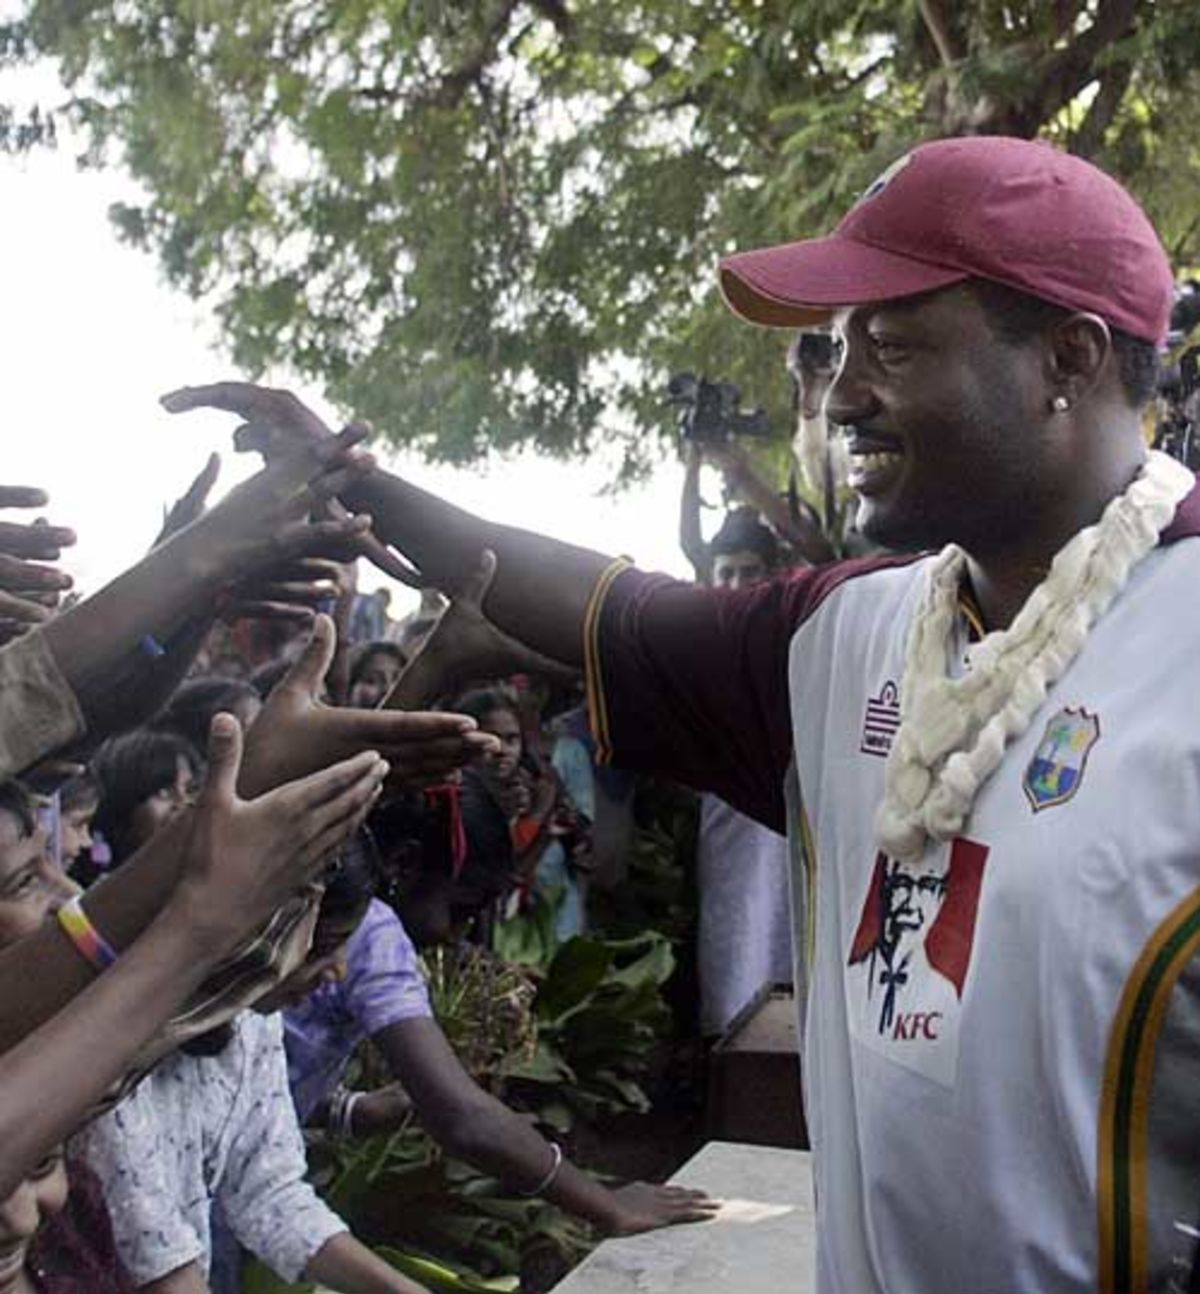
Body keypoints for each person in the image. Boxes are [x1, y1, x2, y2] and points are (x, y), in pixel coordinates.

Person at [172, 135, 1200, 1292]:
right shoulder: (842, 632)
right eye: (843, 347)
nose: (845, 391)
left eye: (895, 344)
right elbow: (606, 609)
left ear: (1068, 356)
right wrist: (355, 481)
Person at [279, 844, 718, 1238]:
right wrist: (606, 1206)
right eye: (463, 908)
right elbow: (464, 1119)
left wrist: (346, 1109)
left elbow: (260, 1097)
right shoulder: (372, 937)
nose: (459, 932)